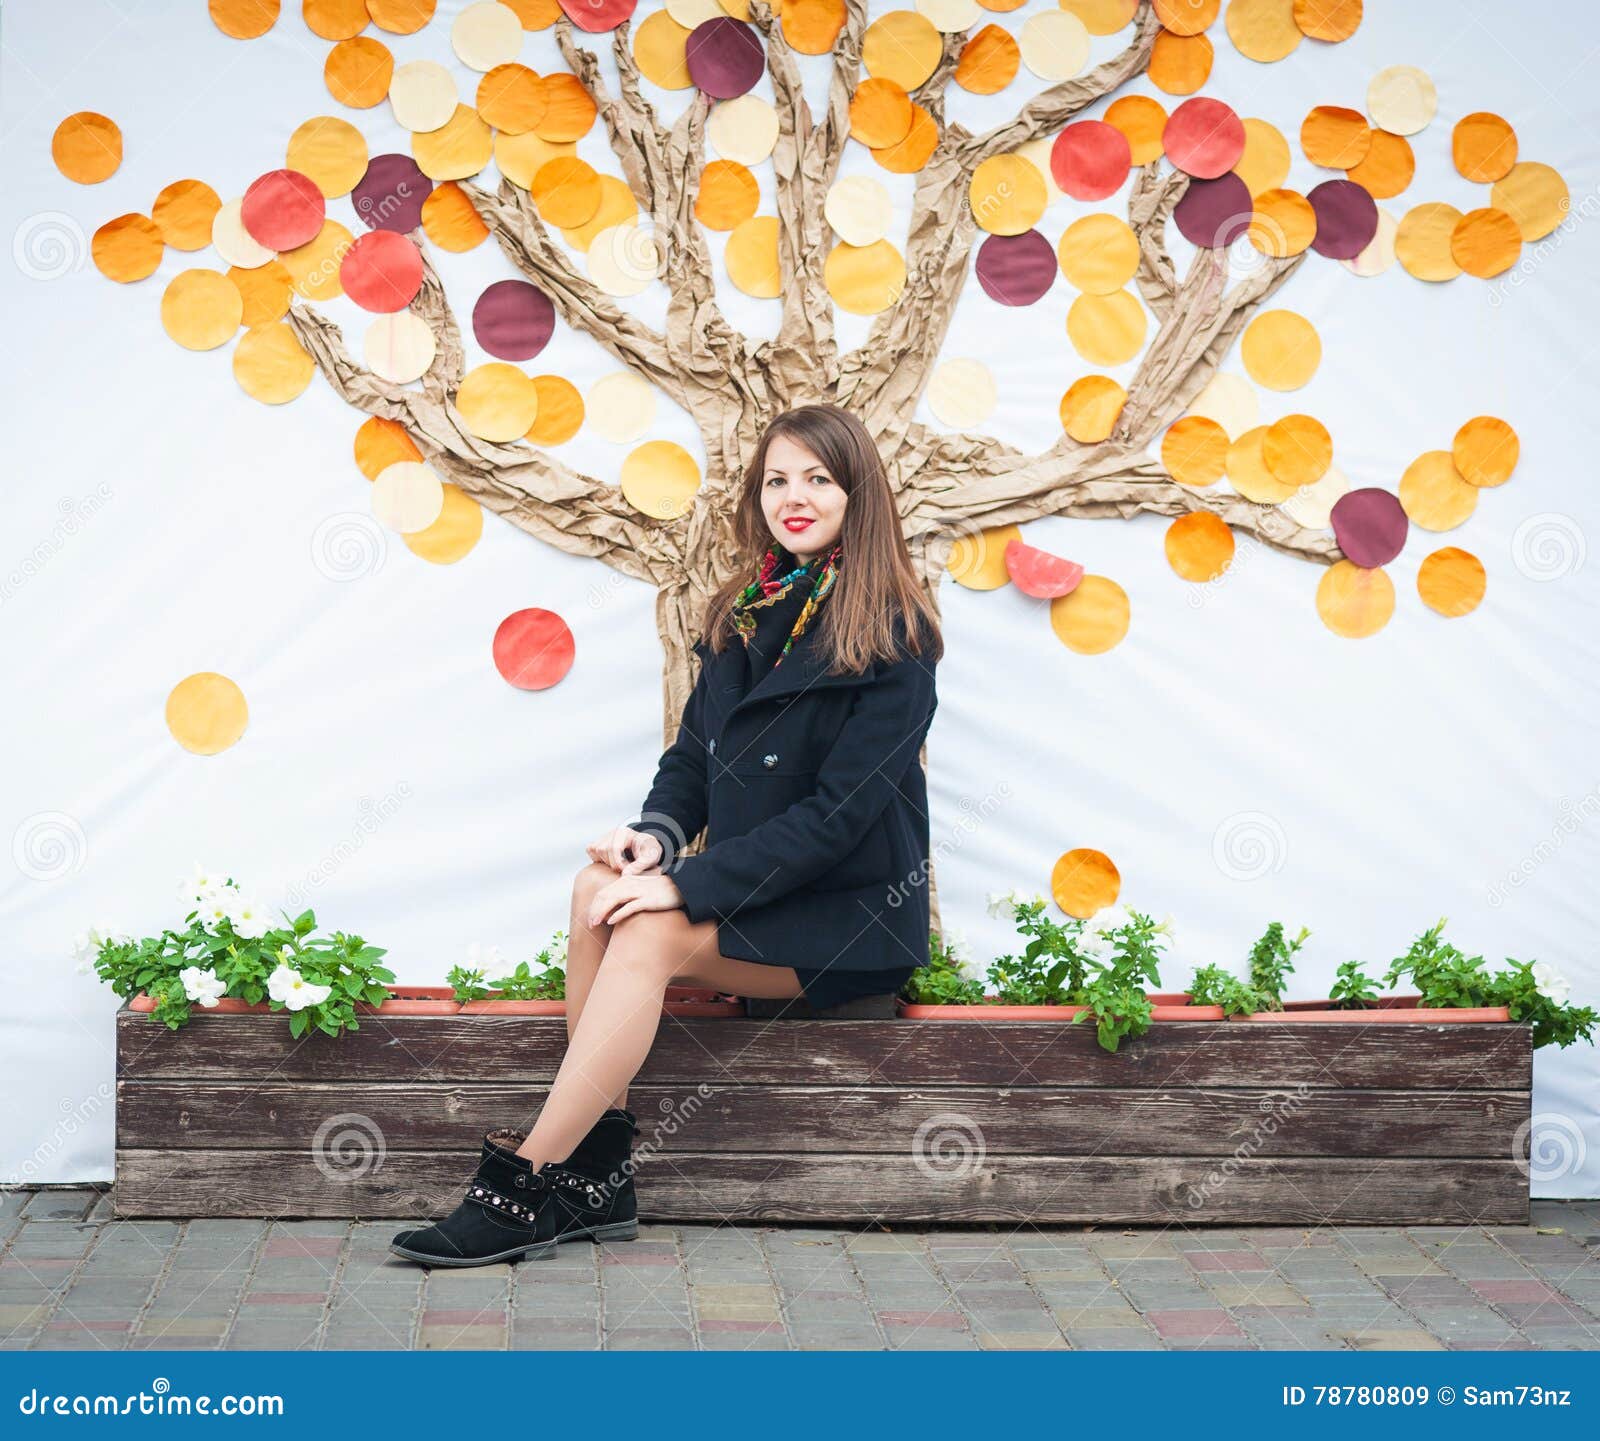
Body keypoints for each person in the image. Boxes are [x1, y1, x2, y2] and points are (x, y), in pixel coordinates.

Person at [391, 403, 943, 1267]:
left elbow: (837, 821)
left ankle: (525, 1185)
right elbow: (692, 756)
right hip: (766, 898)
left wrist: (687, 885)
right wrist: (657, 838)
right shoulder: (748, 612)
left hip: (847, 919)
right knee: (596, 891)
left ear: (857, 492)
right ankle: (599, 1178)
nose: (793, 497)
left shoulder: (896, 636)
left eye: (818, 479)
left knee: (645, 924)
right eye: (776, 480)